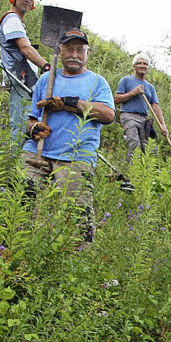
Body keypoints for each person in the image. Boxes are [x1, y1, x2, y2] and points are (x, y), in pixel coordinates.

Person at [21, 29, 115, 245]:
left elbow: (108, 115)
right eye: (69, 49)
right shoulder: (46, 80)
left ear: (87, 53)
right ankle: (12, 250)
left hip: (75, 156)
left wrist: (70, 103)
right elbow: (30, 119)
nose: (75, 55)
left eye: (80, 50)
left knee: (77, 211)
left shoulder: (97, 82)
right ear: (60, 51)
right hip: (37, 152)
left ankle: (80, 257)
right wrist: (33, 129)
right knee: (21, 201)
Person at [0, 0, 50, 147]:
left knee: (29, 122)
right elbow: (25, 48)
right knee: (21, 124)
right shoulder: (11, 19)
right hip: (19, 77)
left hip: (25, 78)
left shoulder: (17, 22)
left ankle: (22, 158)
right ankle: (14, 160)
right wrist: (46, 67)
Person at [114, 53, 169, 163]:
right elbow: (116, 99)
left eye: (145, 64)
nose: (142, 66)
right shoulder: (126, 80)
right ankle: (132, 171)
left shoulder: (150, 87)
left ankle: (147, 172)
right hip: (129, 116)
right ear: (134, 66)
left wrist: (163, 125)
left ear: (148, 68)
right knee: (134, 145)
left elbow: (155, 106)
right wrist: (134, 92)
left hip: (144, 119)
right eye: (139, 63)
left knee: (149, 149)